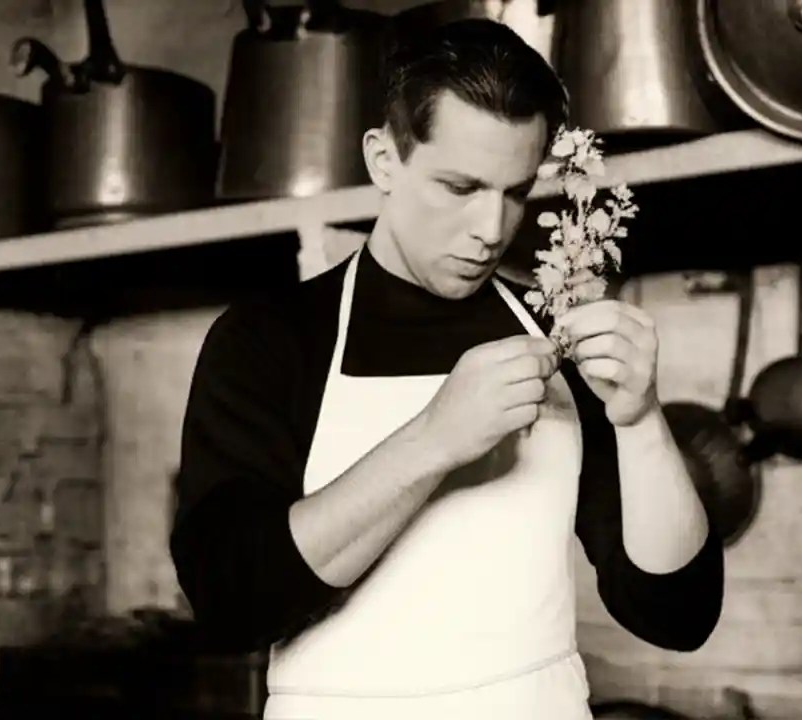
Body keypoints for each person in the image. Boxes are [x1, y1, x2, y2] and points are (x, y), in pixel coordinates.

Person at [169, 18, 724, 720]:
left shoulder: (556, 329)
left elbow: (678, 615)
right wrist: (434, 440)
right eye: (459, 187)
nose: (492, 229)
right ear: (383, 161)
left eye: (516, 191)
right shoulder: (269, 339)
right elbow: (231, 604)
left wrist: (641, 421)